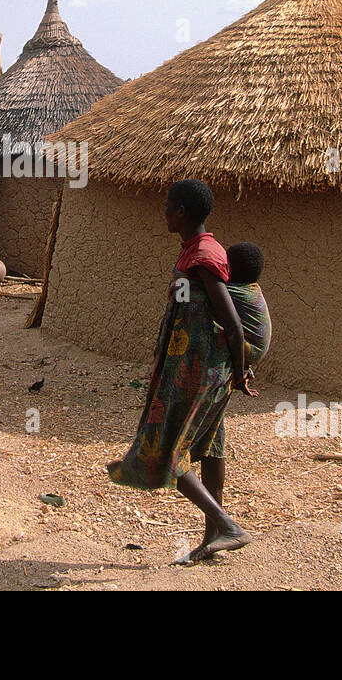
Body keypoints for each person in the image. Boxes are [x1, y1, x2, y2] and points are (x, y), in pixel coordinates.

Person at [107, 179, 255, 563]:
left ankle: (226, 525)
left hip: (199, 370)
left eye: (168, 205)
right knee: (210, 445)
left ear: (182, 212)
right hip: (197, 366)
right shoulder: (197, 251)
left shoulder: (204, 256)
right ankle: (212, 538)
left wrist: (239, 373)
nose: (164, 211)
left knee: (171, 451)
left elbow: (234, 324)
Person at [225, 242, 272, 373]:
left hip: (251, 350)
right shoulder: (251, 289)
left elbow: (203, 291)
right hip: (255, 348)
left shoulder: (234, 292)